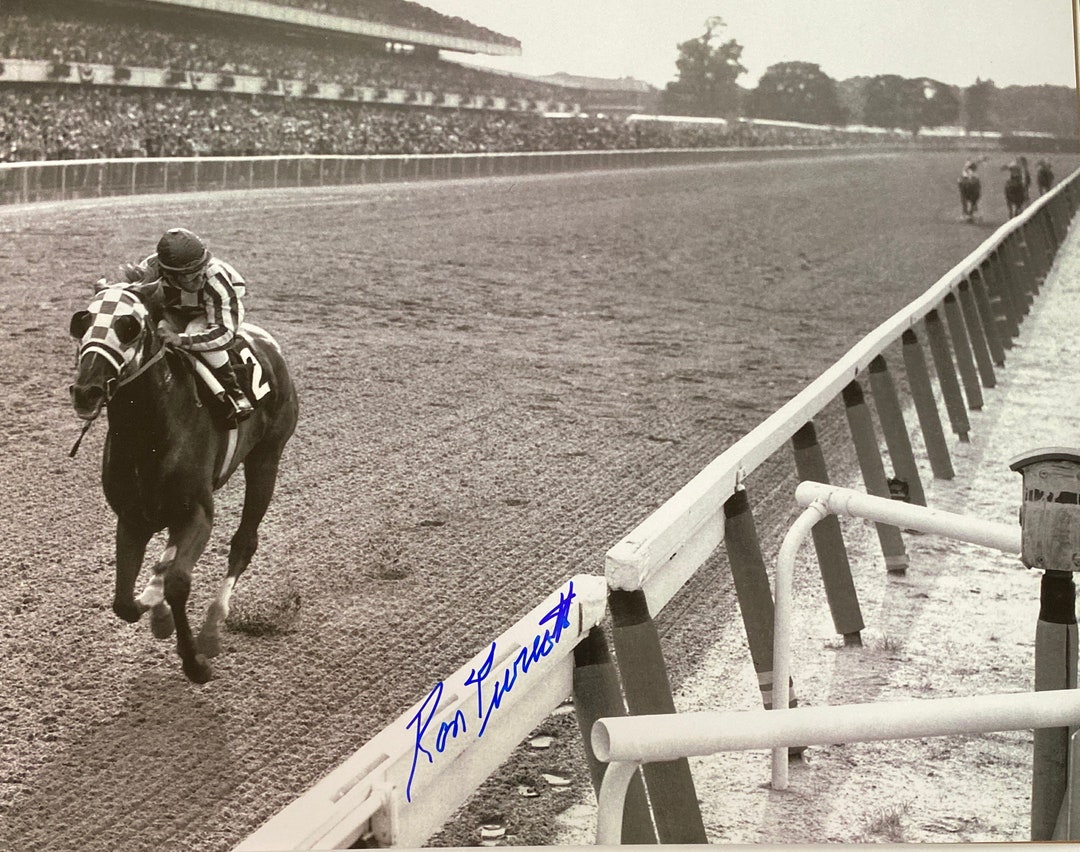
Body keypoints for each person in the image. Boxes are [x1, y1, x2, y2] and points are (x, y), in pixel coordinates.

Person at [122, 227, 255, 422]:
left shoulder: (215, 279)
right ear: (169, 273)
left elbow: (223, 333)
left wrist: (182, 340)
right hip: (174, 307)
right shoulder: (150, 271)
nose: (200, 276)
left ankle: (234, 392)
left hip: (211, 309)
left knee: (193, 329)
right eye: (190, 274)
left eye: (201, 267)